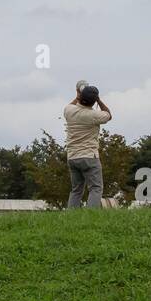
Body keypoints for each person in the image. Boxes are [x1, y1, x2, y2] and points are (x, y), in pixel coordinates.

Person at [63, 80, 112, 209]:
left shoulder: (68, 111)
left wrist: (78, 95)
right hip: (89, 156)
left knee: (76, 190)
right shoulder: (94, 115)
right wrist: (99, 100)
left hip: (72, 157)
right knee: (95, 188)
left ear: (80, 97)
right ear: (94, 101)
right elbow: (108, 115)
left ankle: (71, 216)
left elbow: (71, 105)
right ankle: (91, 215)